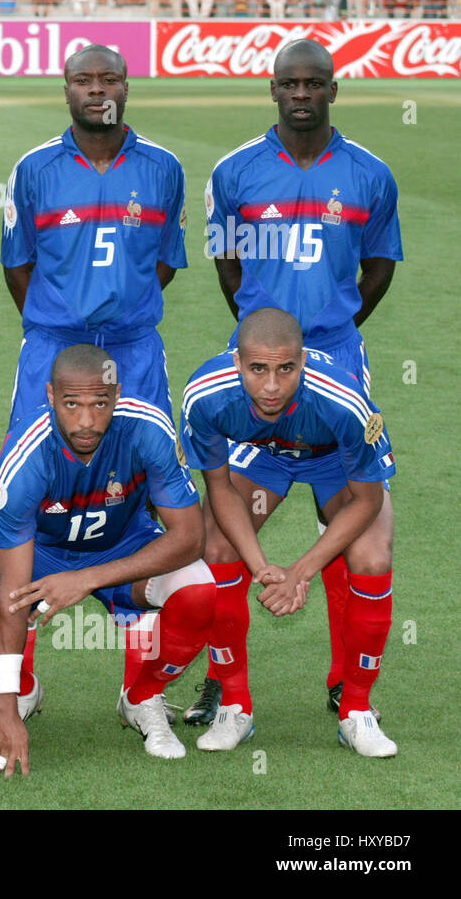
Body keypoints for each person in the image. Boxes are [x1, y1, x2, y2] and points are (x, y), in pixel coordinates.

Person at [196, 39, 402, 726]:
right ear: (274, 89)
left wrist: (324, 339)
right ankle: (231, 696)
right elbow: (226, 262)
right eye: (291, 83)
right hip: (258, 377)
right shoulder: (235, 172)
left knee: (367, 542)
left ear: (334, 91)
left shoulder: (372, 174)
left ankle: (352, 694)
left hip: (337, 368)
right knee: (218, 541)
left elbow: (379, 264)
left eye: (316, 83)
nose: (303, 94)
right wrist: (267, 342)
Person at [0, 346, 212, 773]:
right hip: (39, 554)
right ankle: (20, 692)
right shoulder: (27, 453)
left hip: (122, 545)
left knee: (198, 590)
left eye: (100, 403)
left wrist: (87, 578)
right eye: (71, 404)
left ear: (117, 395)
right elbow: (12, 591)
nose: (85, 420)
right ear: (50, 396)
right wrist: (3, 709)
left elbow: (190, 537)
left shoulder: (146, 428)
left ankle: (141, 696)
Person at [180, 309, 397, 757]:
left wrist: (300, 571)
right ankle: (235, 704)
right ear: (237, 361)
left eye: (285, 369)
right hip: (263, 454)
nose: (272, 386)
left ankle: (356, 709)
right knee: (217, 549)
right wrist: (261, 567)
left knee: (372, 558)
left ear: (303, 362)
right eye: (258, 369)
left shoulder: (344, 400)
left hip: (332, 457)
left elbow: (368, 501)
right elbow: (218, 487)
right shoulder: (206, 395)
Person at [1, 45, 186, 433]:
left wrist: (128, 303)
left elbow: (165, 259)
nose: (97, 91)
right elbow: (17, 264)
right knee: (37, 476)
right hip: (53, 347)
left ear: (126, 89)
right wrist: (55, 319)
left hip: (134, 348)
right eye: (83, 81)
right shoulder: (35, 168)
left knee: (150, 472)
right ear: (67, 91)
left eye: (109, 80)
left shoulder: (164, 167)